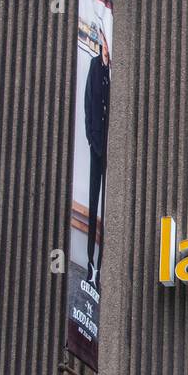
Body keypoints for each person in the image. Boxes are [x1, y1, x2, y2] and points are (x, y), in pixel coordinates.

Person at [83, 22, 110, 284]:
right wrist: (92, 138)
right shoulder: (95, 67)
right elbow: (89, 103)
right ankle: (90, 260)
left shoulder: (113, 71)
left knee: (106, 205)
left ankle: (101, 266)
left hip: (112, 149)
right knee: (93, 202)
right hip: (97, 145)